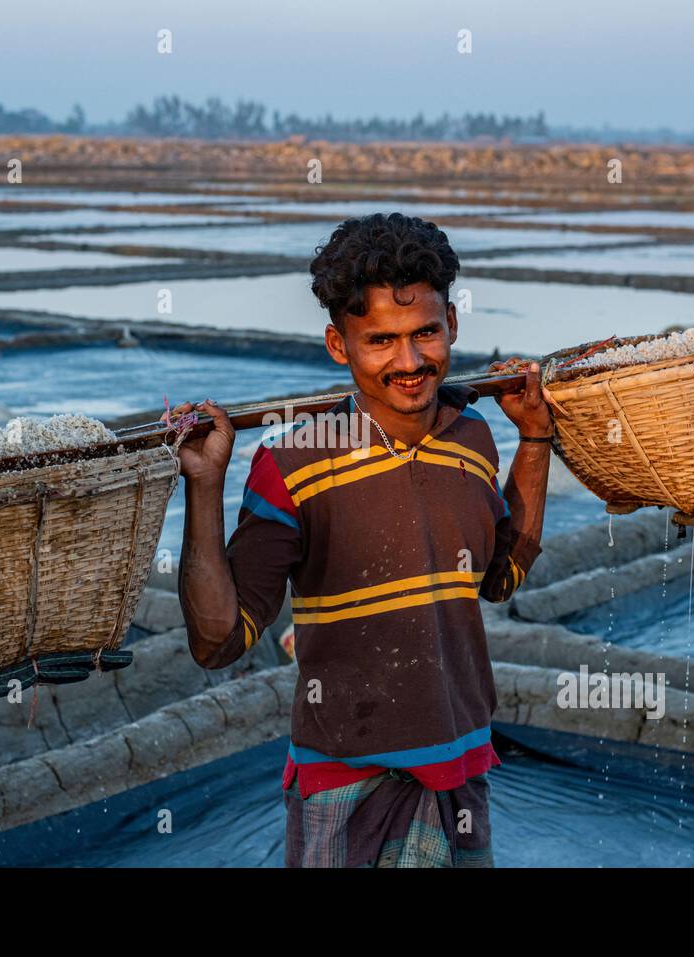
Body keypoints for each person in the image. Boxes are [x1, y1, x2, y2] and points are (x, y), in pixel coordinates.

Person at [168, 212, 553, 867]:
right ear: (339, 345)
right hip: (347, 792)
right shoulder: (292, 465)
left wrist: (537, 440)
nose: (410, 361)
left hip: (462, 775)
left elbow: (498, 579)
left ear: (451, 326)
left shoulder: (474, 440)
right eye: (380, 340)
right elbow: (218, 640)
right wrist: (205, 486)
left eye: (426, 333)